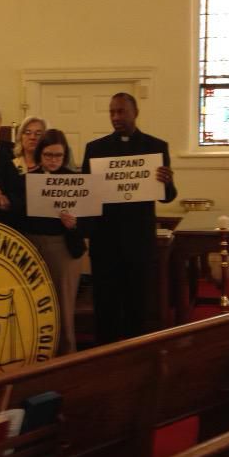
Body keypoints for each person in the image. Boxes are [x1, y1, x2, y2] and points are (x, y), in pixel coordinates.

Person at [82, 92, 175, 344]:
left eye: (121, 111)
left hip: (138, 239)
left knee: (137, 300)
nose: (115, 117)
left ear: (135, 112)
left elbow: (167, 197)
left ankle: (137, 352)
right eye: (112, 112)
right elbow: (85, 195)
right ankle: (105, 354)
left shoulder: (155, 147)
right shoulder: (95, 149)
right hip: (105, 240)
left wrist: (166, 182)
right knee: (105, 302)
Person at [15, 130, 85, 355]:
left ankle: (66, 357)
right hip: (33, 246)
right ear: (39, 154)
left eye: (58, 156)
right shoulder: (27, 179)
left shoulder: (75, 181)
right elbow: (18, 215)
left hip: (63, 247)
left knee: (63, 308)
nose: (53, 160)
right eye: (48, 155)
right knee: (33, 304)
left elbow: (90, 221)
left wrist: (73, 224)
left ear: (65, 156)